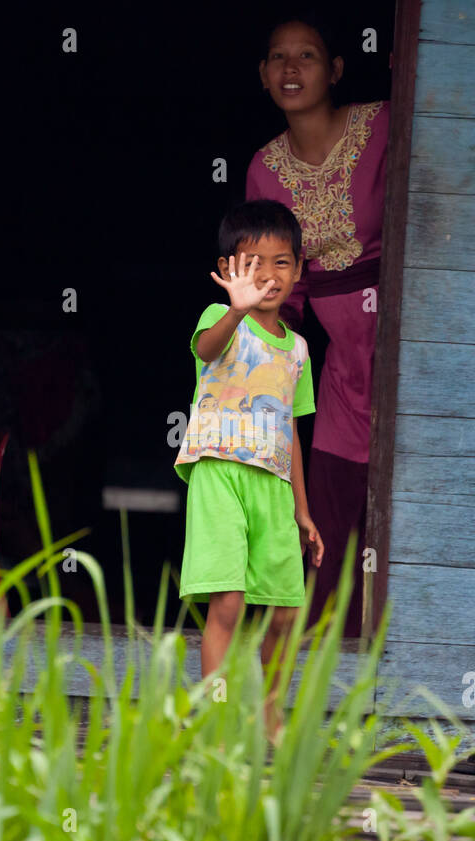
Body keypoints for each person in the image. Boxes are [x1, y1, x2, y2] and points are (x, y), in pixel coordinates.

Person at [245, 13, 388, 639]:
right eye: (279, 58)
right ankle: (332, 672)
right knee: (332, 517)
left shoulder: (383, 125)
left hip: (410, 344)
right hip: (343, 368)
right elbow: (278, 282)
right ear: (263, 76)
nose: (291, 68)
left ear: (335, 70)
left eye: (307, 56)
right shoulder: (262, 169)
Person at [175, 199, 325, 740]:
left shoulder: (299, 351)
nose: (267, 275)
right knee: (229, 602)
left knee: (286, 610)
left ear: (300, 269)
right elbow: (206, 350)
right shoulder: (220, 320)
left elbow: (291, 432)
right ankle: (215, 717)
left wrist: (302, 512)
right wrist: (235, 309)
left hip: (274, 486)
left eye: (281, 262)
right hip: (220, 473)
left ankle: (268, 712)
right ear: (229, 268)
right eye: (252, 263)